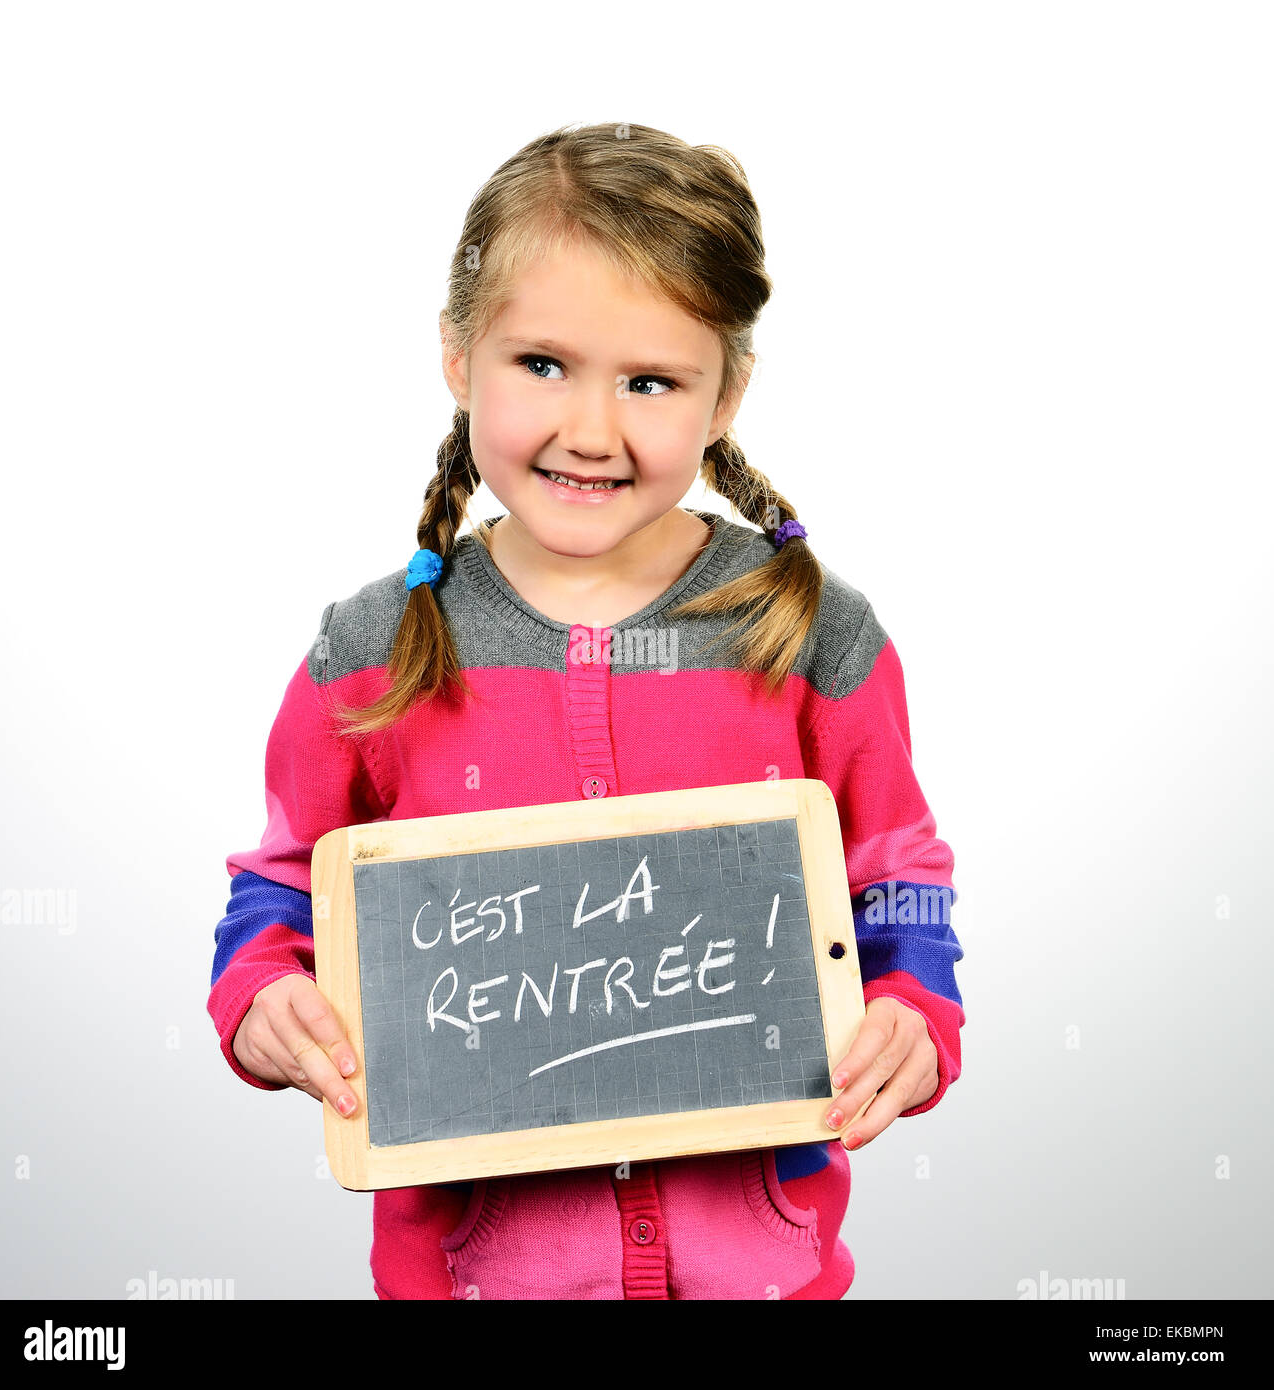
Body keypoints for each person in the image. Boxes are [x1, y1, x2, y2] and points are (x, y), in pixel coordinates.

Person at [208, 121, 964, 1300]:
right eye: (543, 364)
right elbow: (283, 882)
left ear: (727, 391)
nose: (593, 430)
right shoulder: (372, 653)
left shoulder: (812, 636)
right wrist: (262, 993)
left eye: (651, 380)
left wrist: (914, 1011)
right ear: (458, 357)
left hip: (762, 1272)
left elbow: (897, 870)